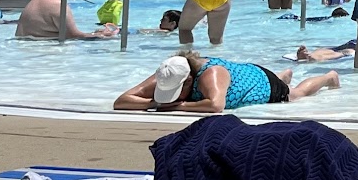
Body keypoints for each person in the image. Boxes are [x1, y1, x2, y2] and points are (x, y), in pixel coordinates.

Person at [113, 51, 339, 113]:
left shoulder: (211, 74)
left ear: (189, 80)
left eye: (177, 91)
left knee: (294, 95)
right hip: (241, 77)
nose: (175, 95)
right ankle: (283, 74)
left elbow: (215, 106)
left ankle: (328, 77)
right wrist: (155, 103)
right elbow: (121, 101)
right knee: (287, 85)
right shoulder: (169, 71)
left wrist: (178, 106)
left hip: (260, 83)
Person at [15, 0, 111, 40]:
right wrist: (100, 35)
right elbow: (73, 36)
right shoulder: (58, 4)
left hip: (28, 49)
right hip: (43, 52)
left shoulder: (37, 0)